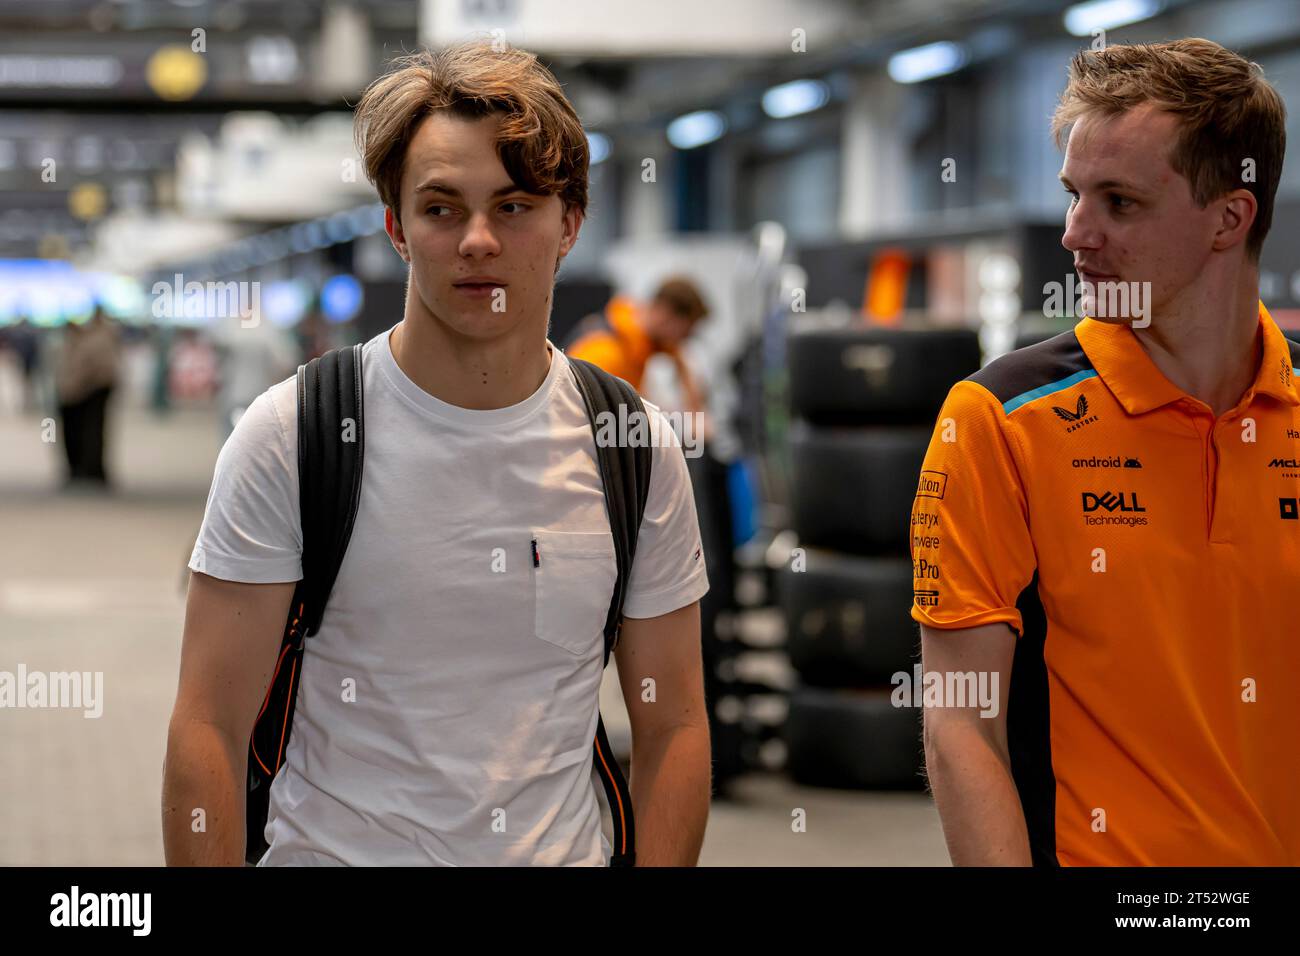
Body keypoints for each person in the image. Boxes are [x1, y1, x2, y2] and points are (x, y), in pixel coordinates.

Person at [163, 41, 712, 867]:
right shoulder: (294, 436)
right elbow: (208, 723)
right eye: (443, 207)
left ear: (570, 224)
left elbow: (673, 725)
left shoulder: (629, 449)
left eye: (517, 206)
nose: (479, 241)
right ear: (396, 226)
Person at [913, 38, 1297, 866]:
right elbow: (960, 722)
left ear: (1232, 216)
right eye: (1073, 195)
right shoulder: (998, 419)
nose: (1074, 233)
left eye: (1118, 202)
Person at [566, 277, 709, 415]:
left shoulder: (649, 340)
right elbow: (575, 400)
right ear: (664, 314)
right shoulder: (606, 351)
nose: (685, 340)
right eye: (685, 333)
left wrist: (696, 412)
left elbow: (680, 362)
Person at [54, 306, 121, 489]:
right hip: (86, 391)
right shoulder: (100, 338)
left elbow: (90, 369)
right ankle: (86, 470)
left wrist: (75, 389)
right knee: (91, 434)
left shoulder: (95, 339)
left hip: (87, 392)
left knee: (88, 434)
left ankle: (87, 470)